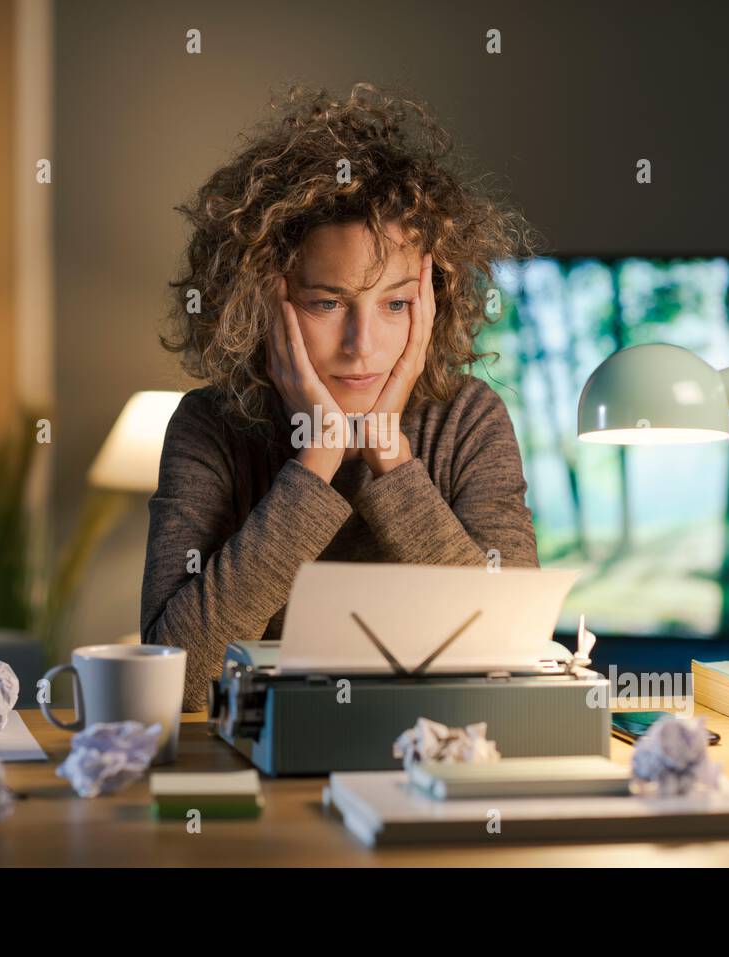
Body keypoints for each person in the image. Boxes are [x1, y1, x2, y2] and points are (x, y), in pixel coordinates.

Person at [143, 83, 542, 710]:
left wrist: (391, 457)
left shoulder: (469, 420)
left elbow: (515, 654)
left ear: (432, 300)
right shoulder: (207, 427)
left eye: (395, 304)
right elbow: (180, 683)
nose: (362, 344)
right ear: (264, 301)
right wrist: (317, 461)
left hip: (436, 763)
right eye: (327, 303)